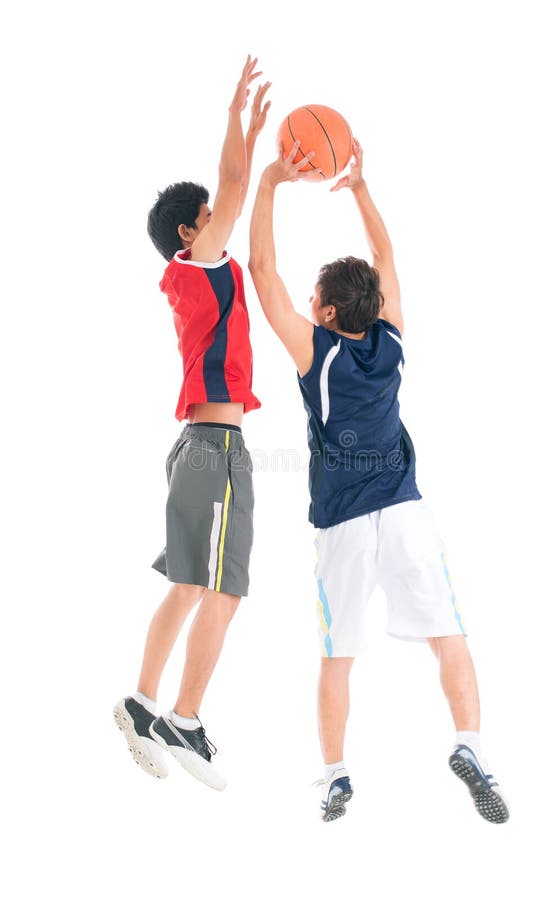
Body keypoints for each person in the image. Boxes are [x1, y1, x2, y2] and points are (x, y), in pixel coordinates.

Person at [248, 138, 509, 823]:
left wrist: (271, 182)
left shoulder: (316, 351)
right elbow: (386, 262)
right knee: (448, 634)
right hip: (404, 511)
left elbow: (260, 269)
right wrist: (359, 190)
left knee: (338, 654)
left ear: (328, 313)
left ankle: (335, 777)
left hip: (341, 523)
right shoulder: (390, 339)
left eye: (313, 299)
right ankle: (471, 747)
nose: (305, 303)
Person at [113, 56, 270, 790]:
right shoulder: (193, 266)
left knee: (202, 585)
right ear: (188, 231)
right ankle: (164, 711)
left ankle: (161, 709)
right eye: (209, 216)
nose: (220, 219)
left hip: (211, 446)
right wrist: (236, 113)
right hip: (213, 447)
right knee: (208, 586)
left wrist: (250, 131)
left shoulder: (205, 273)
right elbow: (235, 186)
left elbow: (232, 190)